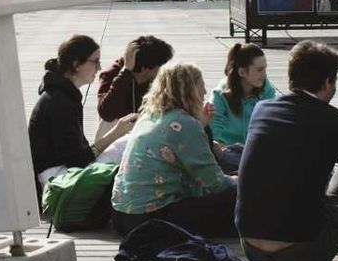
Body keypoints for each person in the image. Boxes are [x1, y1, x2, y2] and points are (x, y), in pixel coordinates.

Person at [236, 41, 338, 261]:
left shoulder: (262, 110)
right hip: (303, 250)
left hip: (251, 247)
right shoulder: (333, 119)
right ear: (327, 83)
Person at [110, 64, 237, 236]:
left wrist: (201, 125)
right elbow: (214, 183)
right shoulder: (183, 123)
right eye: (201, 85)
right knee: (237, 194)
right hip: (151, 220)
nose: (205, 91)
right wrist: (238, 181)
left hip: (121, 216)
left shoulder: (148, 116)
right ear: (189, 90)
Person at [29, 34, 135, 184]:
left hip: (60, 171)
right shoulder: (59, 102)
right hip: (57, 179)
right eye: (95, 61)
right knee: (125, 145)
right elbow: (78, 160)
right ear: (76, 64)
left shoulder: (61, 94)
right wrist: (115, 133)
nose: (99, 67)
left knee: (126, 143)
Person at [208, 43, 275, 173]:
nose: (264, 74)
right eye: (259, 70)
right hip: (228, 154)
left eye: (265, 69)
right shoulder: (220, 96)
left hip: (257, 153)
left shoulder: (267, 91)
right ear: (242, 72)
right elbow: (212, 139)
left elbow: (272, 129)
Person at [96, 35, 173, 122]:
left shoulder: (161, 79)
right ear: (145, 69)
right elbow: (106, 114)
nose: (163, 68)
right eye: (161, 65)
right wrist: (125, 73)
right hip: (118, 132)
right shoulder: (111, 75)